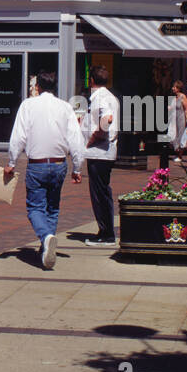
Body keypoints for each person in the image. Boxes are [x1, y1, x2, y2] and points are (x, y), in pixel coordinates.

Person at [5, 69, 85, 271]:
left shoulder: (28, 105)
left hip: (37, 164)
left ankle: (46, 237)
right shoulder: (65, 107)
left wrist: (11, 162)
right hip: (59, 164)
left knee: (34, 208)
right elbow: (76, 140)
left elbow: (18, 137)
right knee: (52, 207)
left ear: (38, 86)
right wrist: (77, 167)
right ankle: (46, 248)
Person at [83, 66, 119, 245]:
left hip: (99, 152)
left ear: (91, 80)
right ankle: (106, 231)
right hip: (107, 151)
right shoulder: (111, 97)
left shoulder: (100, 98)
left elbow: (108, 118)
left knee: (99, 194)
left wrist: (92, 138)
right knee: (103, 192)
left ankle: (106, 234)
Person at [170, 80, 187, 162]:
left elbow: (186, 109)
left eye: (174, 87)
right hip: (174, 119)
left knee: (180, 136)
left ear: (178, 88)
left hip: (181, 119)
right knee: (173, 135)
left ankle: (180, 155)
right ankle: (177, 153)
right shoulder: (174, 97)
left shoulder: (183, 97)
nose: (173, 88)